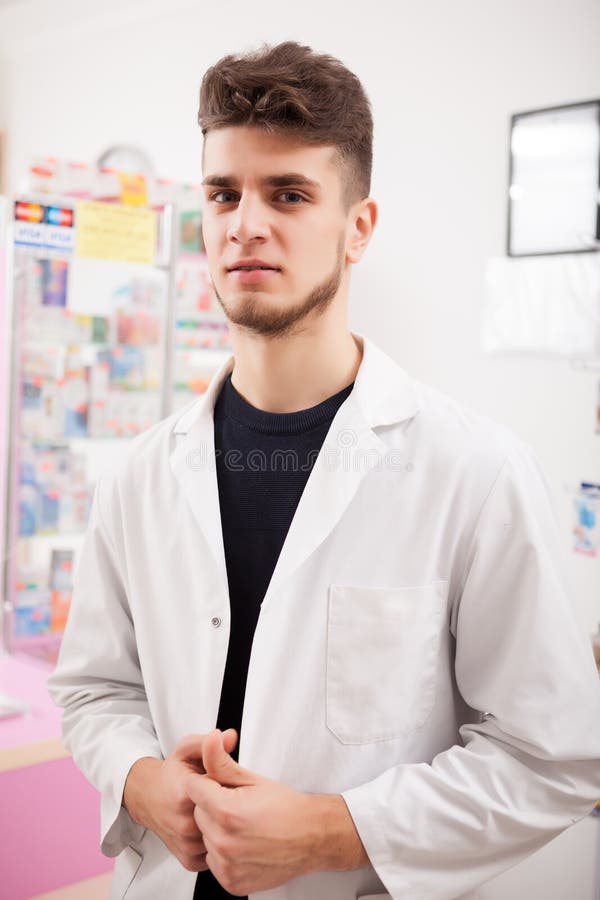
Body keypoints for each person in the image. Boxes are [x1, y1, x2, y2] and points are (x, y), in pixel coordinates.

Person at [47, 40, 600, 900]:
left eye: (290, 194)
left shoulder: (475, 472)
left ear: (358, 228)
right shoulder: (140, 476)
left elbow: (553, 759)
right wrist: (141, 779)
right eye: (224, 193)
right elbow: (93, 691)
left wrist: (333, 832)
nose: (246, 224)